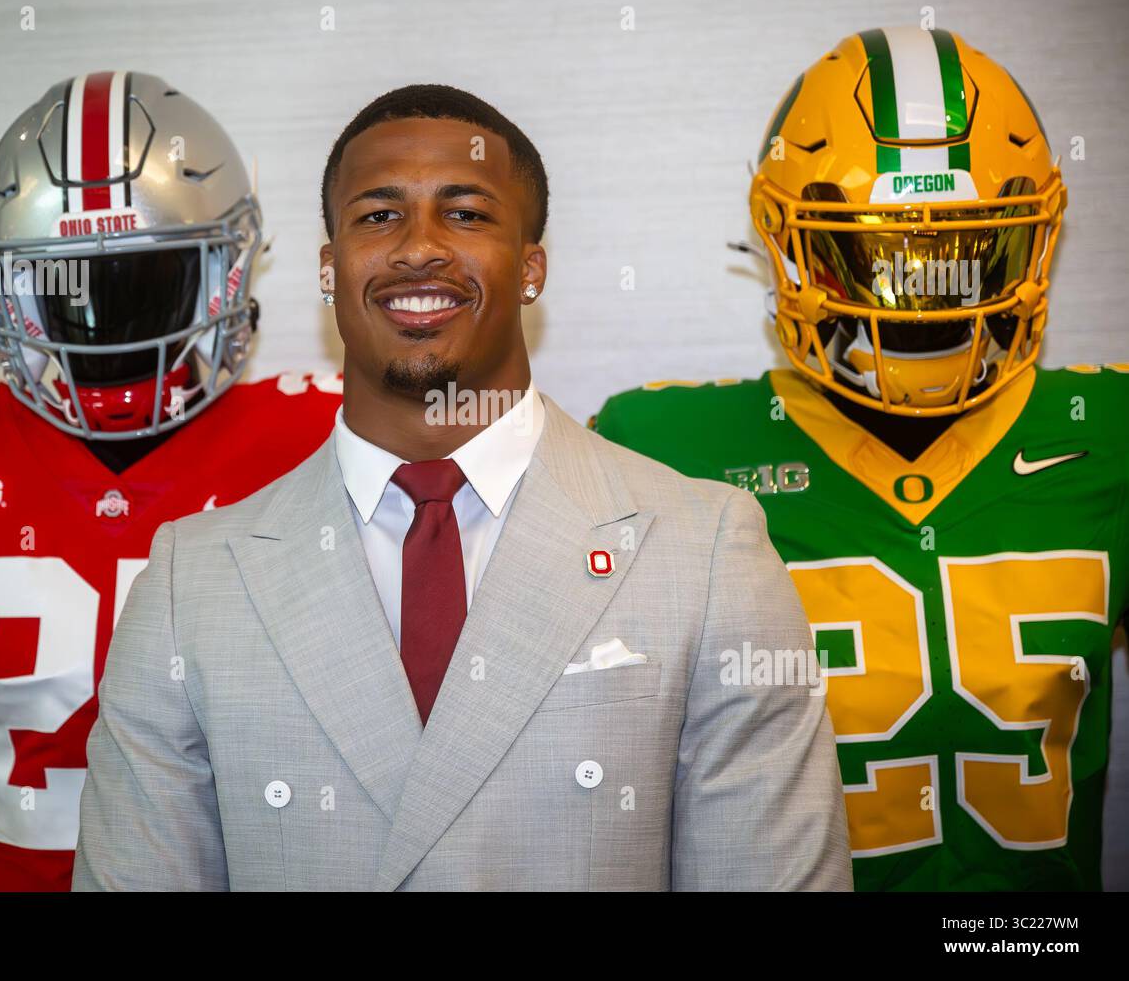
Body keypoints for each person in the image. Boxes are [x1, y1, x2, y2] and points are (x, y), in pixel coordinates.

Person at [73, 83, 851, 891]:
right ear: (328, 268)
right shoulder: (190, 581)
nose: (418, 248)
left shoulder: (707, 549)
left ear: (532, 268)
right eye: (378, 216)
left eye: (467, 214)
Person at [594, 28, 1129, 890]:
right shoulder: (663, 448)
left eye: (961, 252)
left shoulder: (1108, 429)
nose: (918, 297)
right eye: (875, 252)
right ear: (782, 246)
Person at [0, 72, 341, 891]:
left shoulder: (325, 435)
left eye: (149, 279)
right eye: (65, 280)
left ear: (230, 269)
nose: (104, 324)